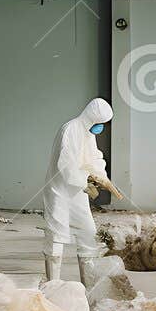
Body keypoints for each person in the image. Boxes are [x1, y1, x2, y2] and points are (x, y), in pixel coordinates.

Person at [43, 96, 122, 283]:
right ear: (92, 118)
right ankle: (52, 285)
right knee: (57, 236)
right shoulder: (70, 129)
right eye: (101, 123)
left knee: (88, 233)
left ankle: (88, 285)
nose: (101, 127)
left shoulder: (88, 133)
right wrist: (85, 182)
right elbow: (66, 165)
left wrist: (103, 179)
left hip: (77, 193)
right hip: (60, 192)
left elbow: (93, 159)